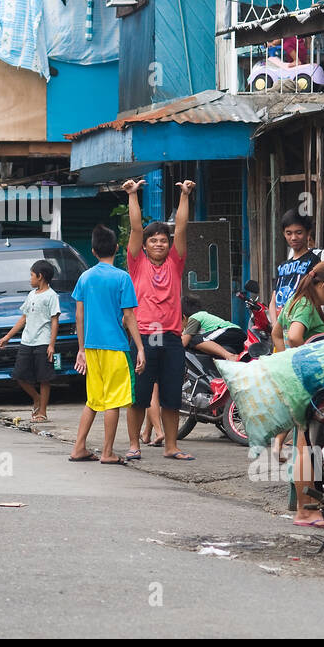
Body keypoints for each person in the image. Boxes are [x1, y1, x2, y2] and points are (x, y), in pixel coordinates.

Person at [123, 176, 194, 462]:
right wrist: (132, 195)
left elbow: (182, 228)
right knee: (139, 395)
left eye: (163, 240)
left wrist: (185, 195)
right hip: (143, 337)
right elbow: (136, 228)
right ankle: (133, 445)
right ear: (145, 245)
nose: (159, 244)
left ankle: (171, 447)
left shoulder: (176, 263)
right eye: (153, 240)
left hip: (172, 337)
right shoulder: (136, 263)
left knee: (172, 397)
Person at [276, 259, 324, 528]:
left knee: (303, 447)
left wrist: (285, 361)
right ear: (322, 284)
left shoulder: (296, 302)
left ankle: (306, 510)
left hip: (296, 380)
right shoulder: (307, 305)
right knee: (307, 448)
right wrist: (306, 359)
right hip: (307, 383)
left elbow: (277, 333)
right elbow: (294, 336)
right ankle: (307, 511)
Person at [69, 225, 145, 465]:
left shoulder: (85, 277)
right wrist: (141, 347)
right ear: (116, 248)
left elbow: (79, 315)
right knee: (113, 400)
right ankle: (107, 452)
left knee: (94, 400)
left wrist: (81, 349)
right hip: (115, 346)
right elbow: (129, 316)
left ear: (93, 250)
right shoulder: (122, 277)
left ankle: (79, 447)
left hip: (91, 347)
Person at [0, 259, 61, 423]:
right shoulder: (31, 295)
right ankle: (37, 398)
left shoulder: (52, 296)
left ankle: (43, 411)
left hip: (43, 342)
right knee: (19, 376)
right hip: (27, 341)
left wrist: (51, 345)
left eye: (32, 275)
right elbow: (23, 318)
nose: (30, 278)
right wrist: (7, 337)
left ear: (40, 276)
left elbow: (54, 321)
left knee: (44, 378)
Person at [268, 210, 320, 332]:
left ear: (308, 233)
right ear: (283, 234)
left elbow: (315, 296)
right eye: (289, 233)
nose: (294, 238)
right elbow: (273, 301)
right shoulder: (282, 266)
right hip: (281, 327)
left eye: (299, 233)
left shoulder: (314, 261)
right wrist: (275, 326)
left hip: (300, 325)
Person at [181, 294, 244, 362]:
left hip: (232, 332)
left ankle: (229, 356)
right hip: (233, 341)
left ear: (184, 317)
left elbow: (183, 343)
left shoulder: (195, 317)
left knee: (193, 340)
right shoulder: (196, 319)